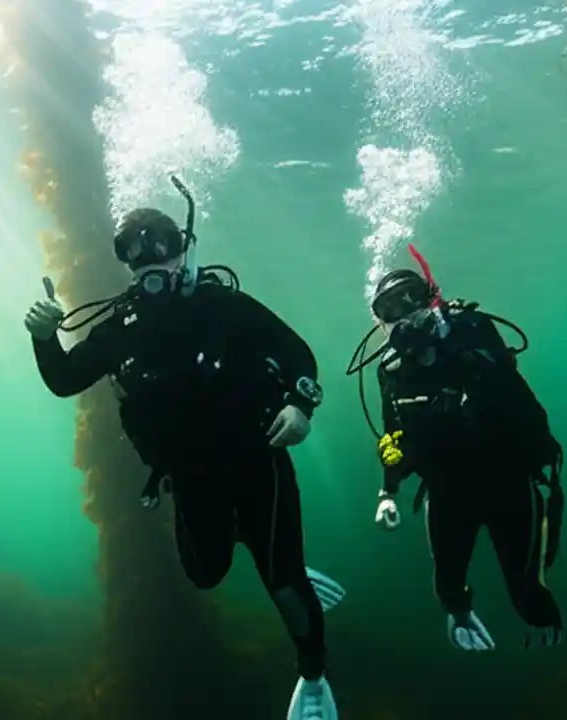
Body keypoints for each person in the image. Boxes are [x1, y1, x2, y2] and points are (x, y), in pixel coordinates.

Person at [23, 177, 341, 720]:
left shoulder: (224, 305)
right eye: (133, 250)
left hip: (257, 463)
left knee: (285, 587)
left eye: (160, 243)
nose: (149, 258)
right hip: (189, 478)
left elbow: (296, 353)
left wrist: (300, 406)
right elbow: (65, 379)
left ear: (183, 247)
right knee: (204, 574)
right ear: (125, 260)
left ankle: (313, 675)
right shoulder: (123, 324)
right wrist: (42, 335)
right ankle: (274, 554)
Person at [351, 244, 565, 652]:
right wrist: (387, 491)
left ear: (432, 297)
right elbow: (392, 431)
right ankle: (462, 617)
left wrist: (468, 375)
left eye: (410, 299)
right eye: (388, 309)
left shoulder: (471, 329)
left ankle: (545, 626)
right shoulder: (390, 371)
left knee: (524, 586)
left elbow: (510, 386)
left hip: (506, 481)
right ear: (379, 322)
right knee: (447, 584)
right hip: (447, 491)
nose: (402, 314)